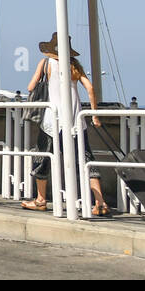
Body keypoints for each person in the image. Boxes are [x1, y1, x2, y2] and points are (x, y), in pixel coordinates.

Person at [22, 33, 108, 214]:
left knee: (42, 157)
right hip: (76, 120)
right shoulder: (74, 66)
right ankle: (100, 203)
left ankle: (40, 200)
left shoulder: (45, 64)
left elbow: (31, 87)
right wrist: (94, 116)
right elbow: (90, 88)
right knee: (86, 159)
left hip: (52, 120)